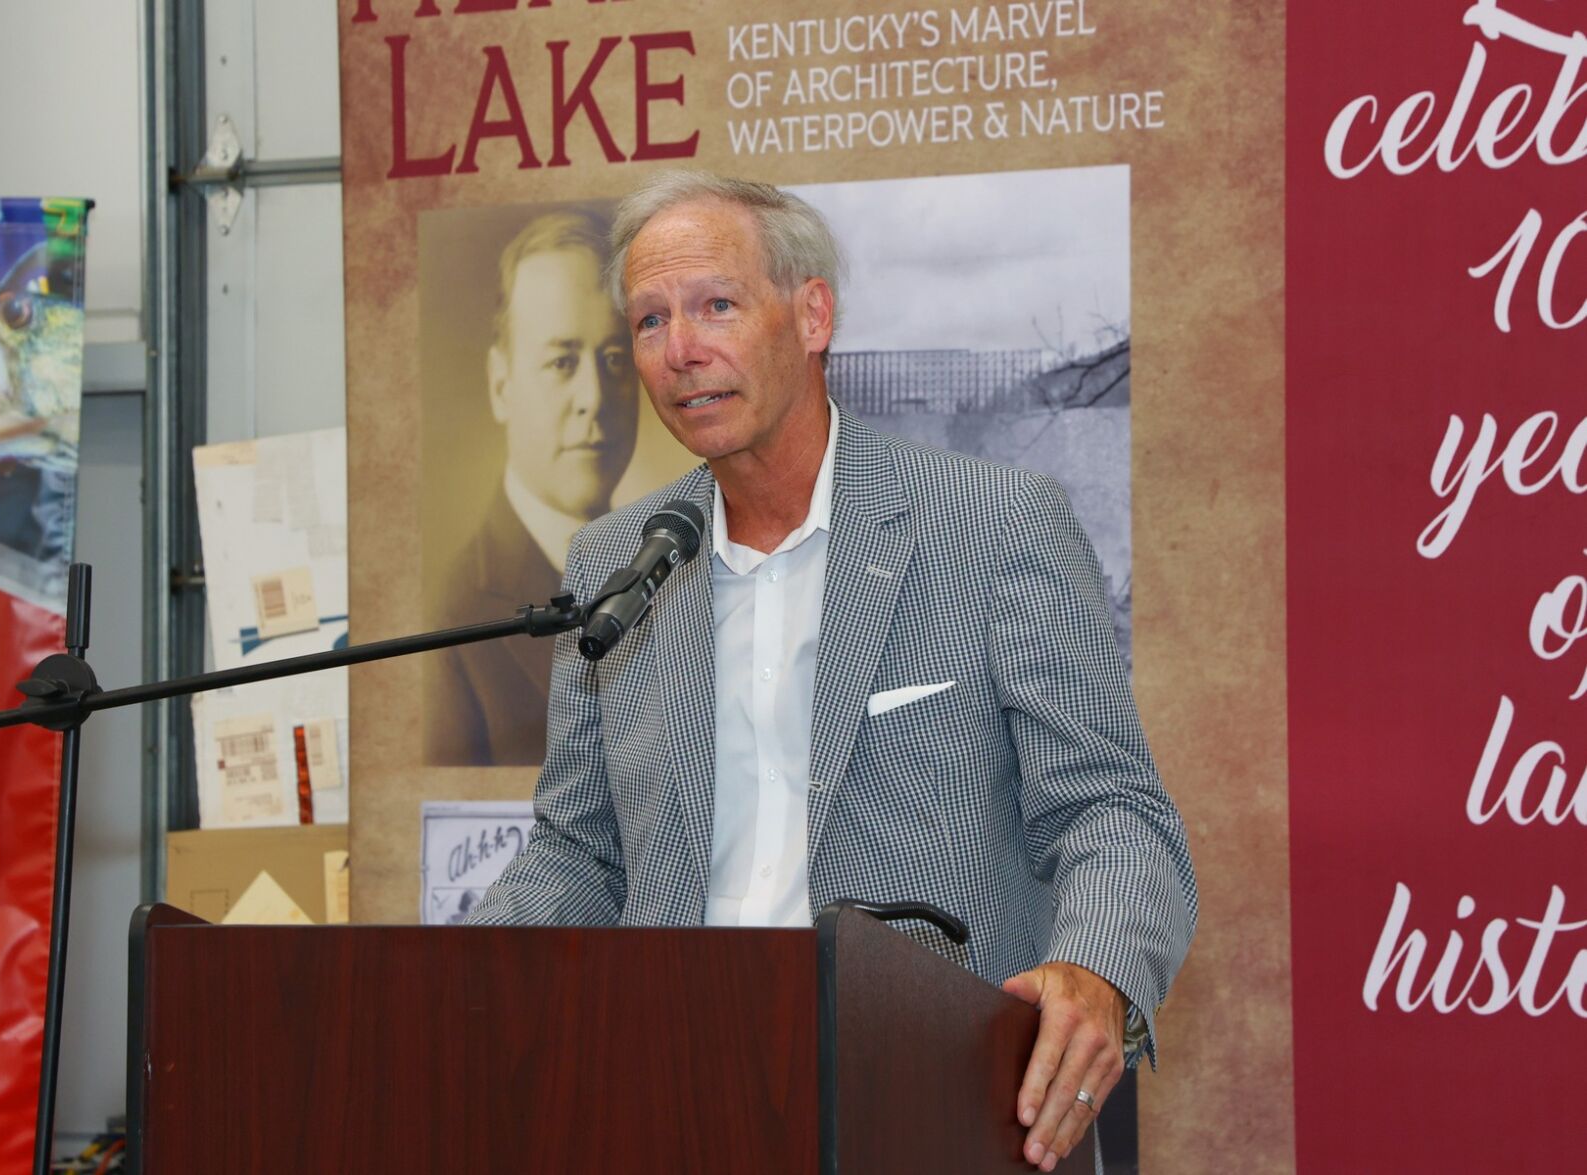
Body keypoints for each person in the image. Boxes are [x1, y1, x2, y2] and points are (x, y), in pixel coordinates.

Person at [465, 173, 1197, 1172]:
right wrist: (451, 986)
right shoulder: (616, 562)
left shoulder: (993, 524)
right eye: (649, 319)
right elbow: (578, 851)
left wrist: (1096, 970)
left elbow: (1113, 811)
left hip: (937, 1102)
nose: (680, 349)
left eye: (715, 304)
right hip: (673, 1099)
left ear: (812, 314)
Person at [425, 209, 639, 765]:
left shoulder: (666, 570)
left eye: (615, 358)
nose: (594, 397)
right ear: (501, 385)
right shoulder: (448, 623)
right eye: (562, 362)